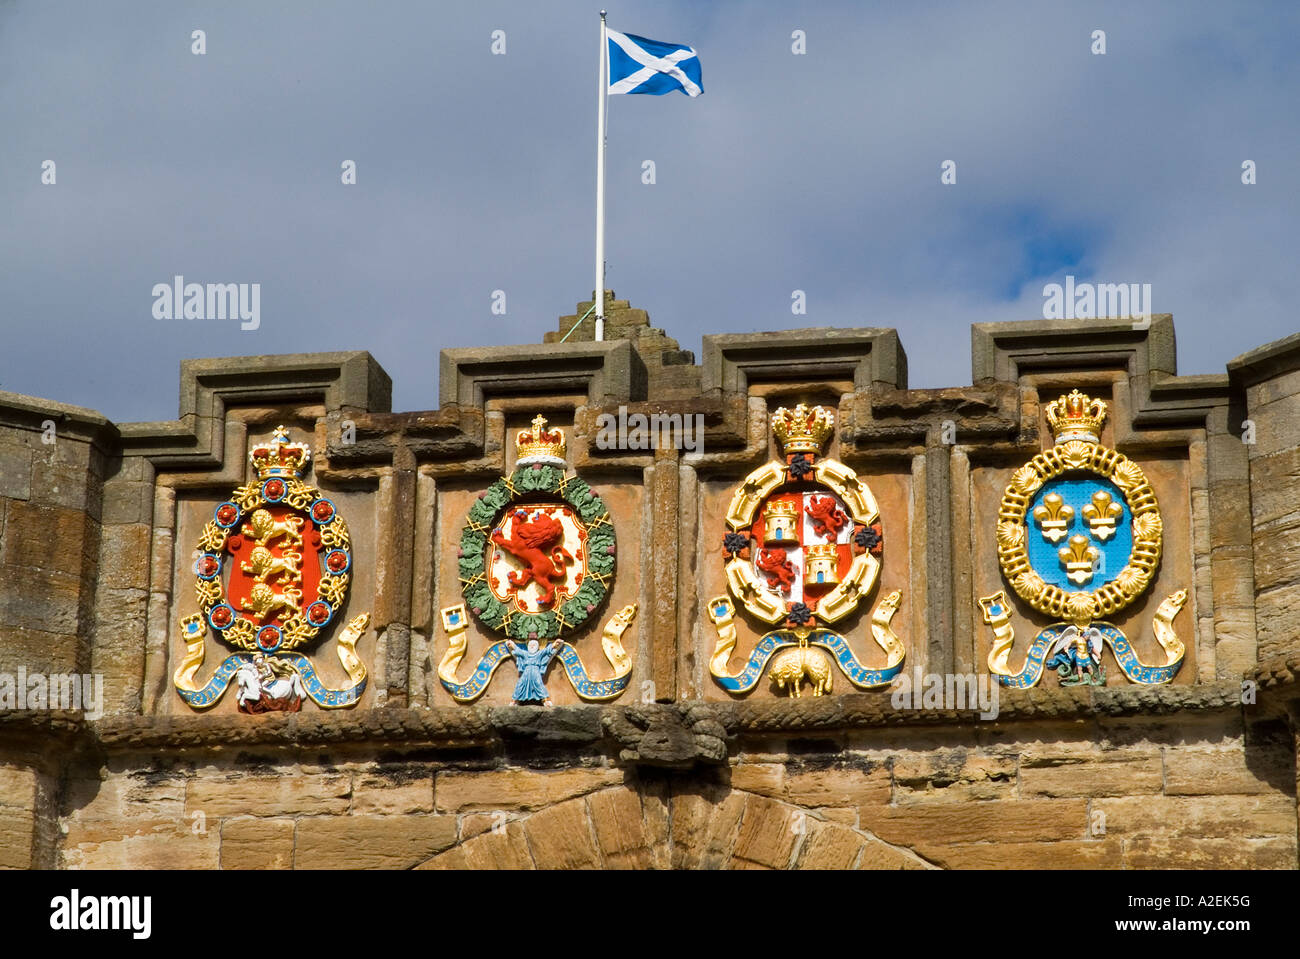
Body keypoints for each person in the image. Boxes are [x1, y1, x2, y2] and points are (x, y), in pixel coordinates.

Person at [505, 638, 559, 705]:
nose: (532, 646)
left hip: (535, 671)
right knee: (520, 684)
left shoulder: (539, 653)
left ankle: (545, 700)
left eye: (534, 645)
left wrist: (554, 644)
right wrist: (512, 645)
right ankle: (514, 700)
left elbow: (546, 650)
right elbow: (518, 650)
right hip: (526, 671)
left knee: (539, 684)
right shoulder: (525, 654)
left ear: (537, 646)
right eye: (530, 645)